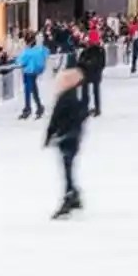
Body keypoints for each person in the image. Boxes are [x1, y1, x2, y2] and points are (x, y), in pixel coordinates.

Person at [45, 68, 89, 220]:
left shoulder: (64, 98)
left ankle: (70, 196)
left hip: (66, 137)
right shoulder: (77, 97)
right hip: (73, 136)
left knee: (67, 168)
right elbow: (83, 114)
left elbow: (55, 118)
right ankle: (73, 194)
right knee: (68, 166)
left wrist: (50, 134)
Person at [17, 34, 49, 120]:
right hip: (35, 72)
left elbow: (20, 61)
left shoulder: (27, 52)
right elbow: (46, 52)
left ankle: (28, 108)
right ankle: (38, 107)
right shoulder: (40, 49)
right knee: (34, 89)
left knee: (28, 90)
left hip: (28, 71)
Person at [76, 33, 105, 117]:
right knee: (93, 91)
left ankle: (87, 107)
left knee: (87, 91)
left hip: (89, 73)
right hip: (93, 73)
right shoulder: (100, 50)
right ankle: (96, 108)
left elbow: (80, 62)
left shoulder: (88, 51)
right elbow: (102, 63)